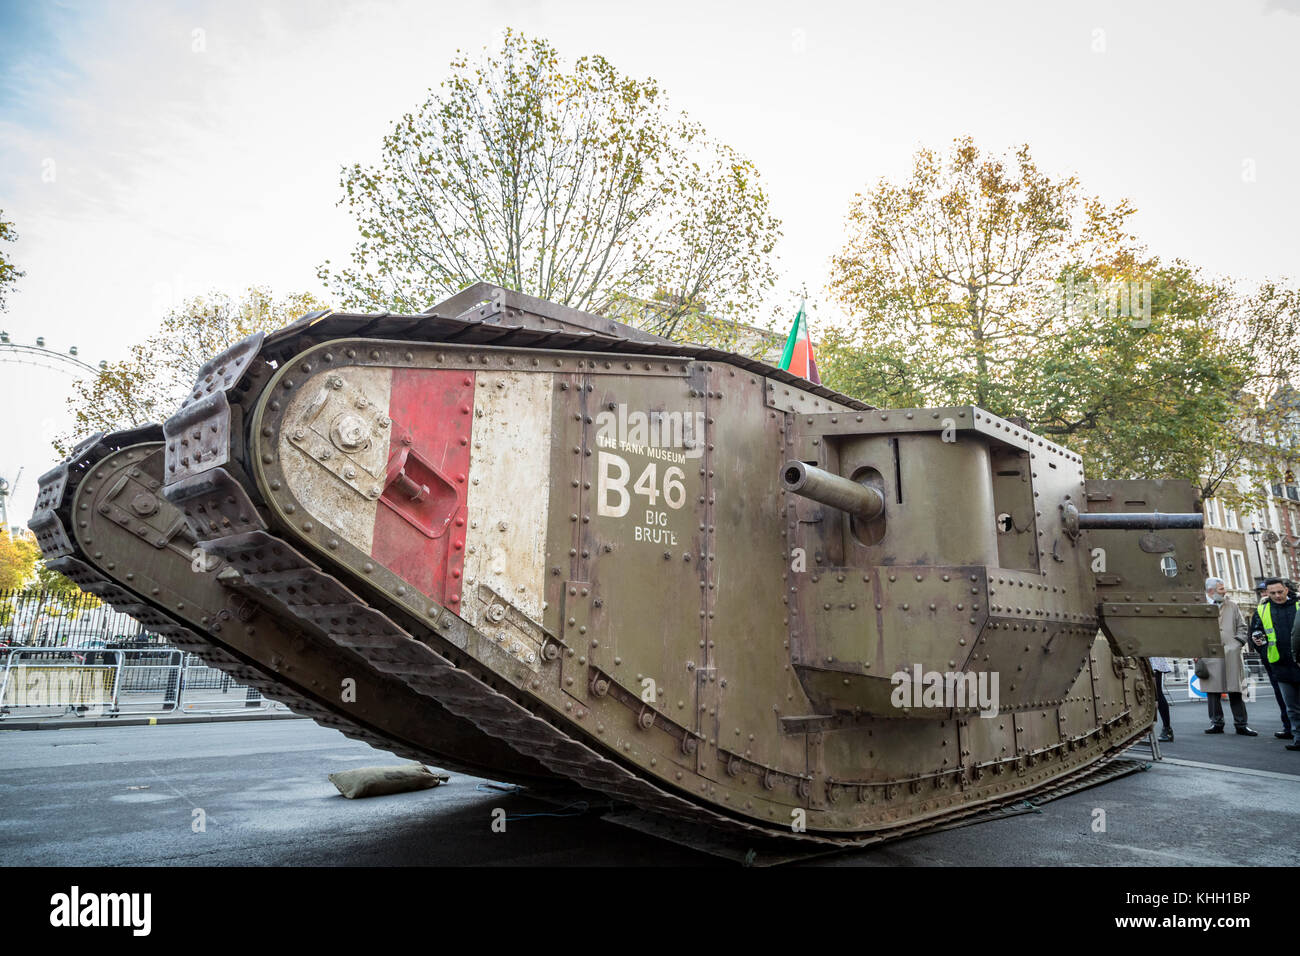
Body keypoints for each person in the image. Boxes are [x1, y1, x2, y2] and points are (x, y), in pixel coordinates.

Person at [1248, 577, 1300, 749]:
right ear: (1267, 593)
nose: (1277, 596)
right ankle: (1297, 737)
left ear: (1286, 590)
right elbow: (1256, 633)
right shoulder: (1262, 610)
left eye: (1280, 592)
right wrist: (1261, 645)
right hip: (1279, 663)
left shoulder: (1298, 605)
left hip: (1298, 661)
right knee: (1291, 706)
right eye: (1273, 593)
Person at [1201, 577, 1255, 734]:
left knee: (1236, 688)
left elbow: (1242, 627)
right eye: (1221, 589)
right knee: (1212, 690)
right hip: (1209, 653)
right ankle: (1216, 723)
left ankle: (1241, 724)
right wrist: (1197, 651)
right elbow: (1194, 631)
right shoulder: (1201, 607)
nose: (1224, 592)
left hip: (1231, 652)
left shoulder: (1232, 605)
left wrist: (1237, 644)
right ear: (1210, 591)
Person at [1150, 656, 1174, 741]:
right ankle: (1166, 729)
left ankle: (1167, 729)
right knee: (1152, 695)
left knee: (1157, 694)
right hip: (1145, 659)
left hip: (1153, 661)